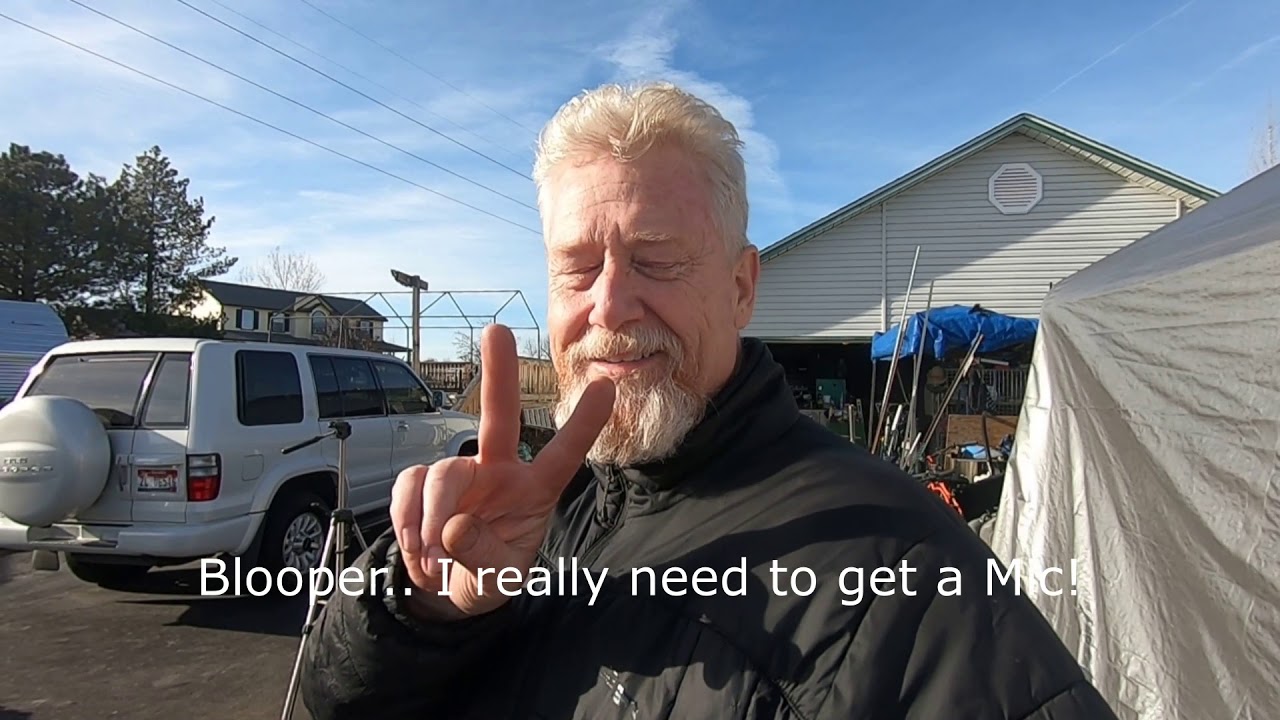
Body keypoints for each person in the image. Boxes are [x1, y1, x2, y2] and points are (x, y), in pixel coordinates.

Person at [298, 81, 1118, 719]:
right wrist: (426, 610)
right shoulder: (525, 504)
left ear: (740, 286)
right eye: (578, 268)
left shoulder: (904, 579)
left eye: (655, 260)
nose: (610, 308)